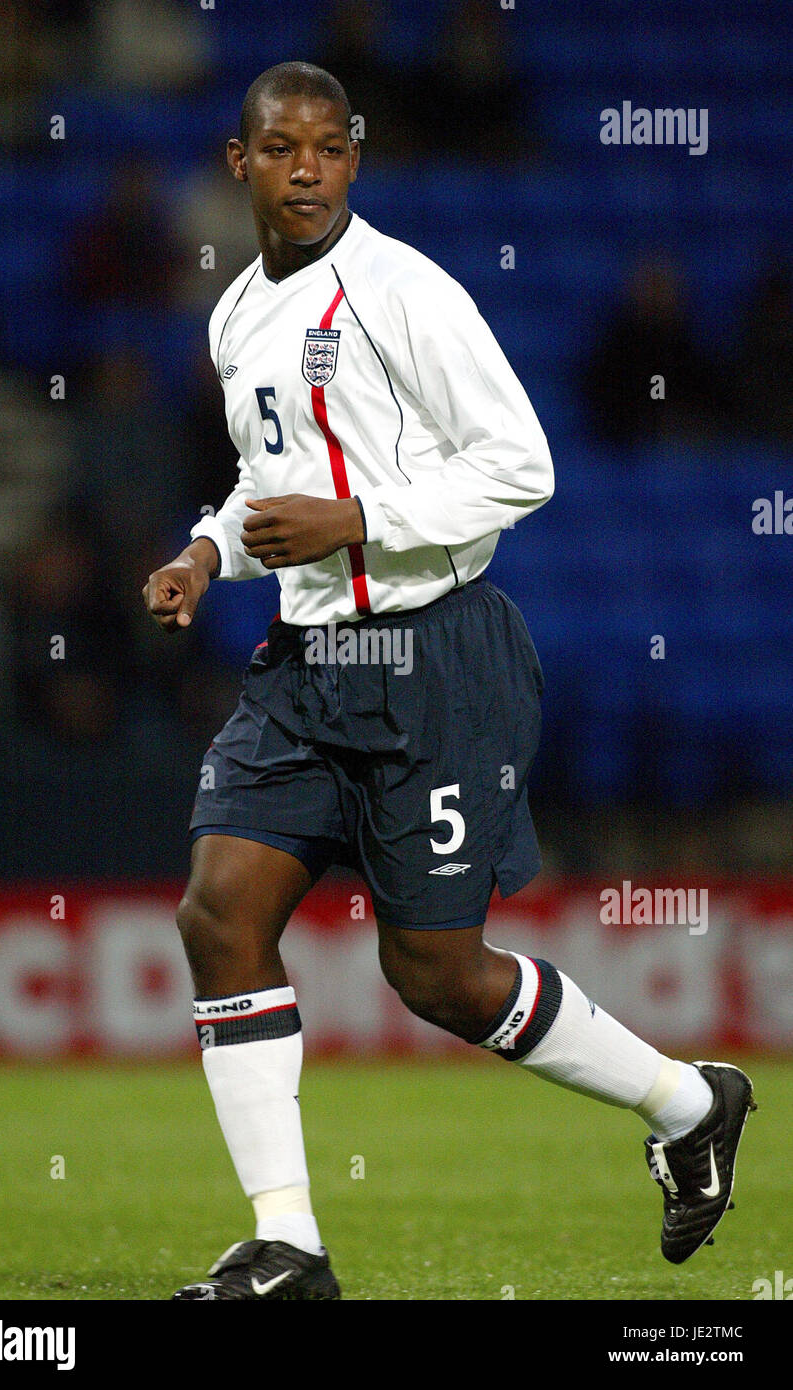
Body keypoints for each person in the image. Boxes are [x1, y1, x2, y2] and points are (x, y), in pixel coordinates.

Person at [143, 63, 756, 1301]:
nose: (305, 168)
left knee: (434, 974)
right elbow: (269, 476)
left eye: (327, 147)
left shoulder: (403, 291)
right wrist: (208, 549)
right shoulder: (234, 317)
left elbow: (520, 465)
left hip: (432, 660)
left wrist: (356, 522)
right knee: (218, 912)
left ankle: (692, 1103)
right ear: (238, 162)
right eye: (281, 148)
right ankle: (288, 1243)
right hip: (305, 668)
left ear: (351, 162)